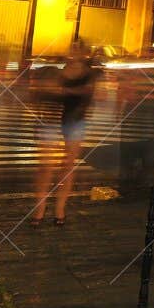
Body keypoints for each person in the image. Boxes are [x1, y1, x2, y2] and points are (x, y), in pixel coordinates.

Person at [33, 42, 97, 226]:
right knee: (45, 168)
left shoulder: (88, 74)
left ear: (85, 53)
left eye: (78, 48)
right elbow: (40, 94)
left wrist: (61, 90)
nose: (74, 51)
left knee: (67, 167)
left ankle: (60, 209)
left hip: (74, 122)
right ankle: (40, 210)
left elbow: (87, 95)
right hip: (51, 120)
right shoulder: (55, 71)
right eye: (72, 47)